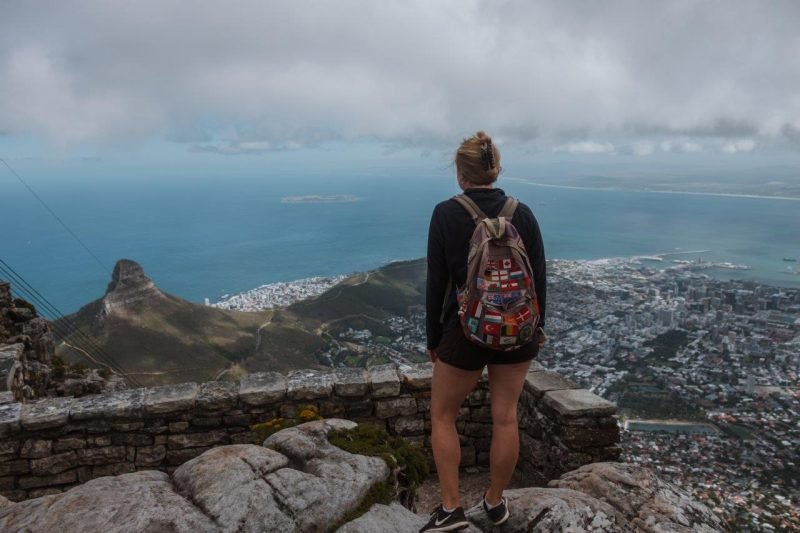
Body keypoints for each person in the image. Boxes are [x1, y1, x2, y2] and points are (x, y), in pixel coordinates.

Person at [420, 131, 547, 532]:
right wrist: (533, 329)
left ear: (461, 173)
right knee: (506, 417)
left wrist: (433, 340)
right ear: (496, 170)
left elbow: (437, 283)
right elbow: (538, 279)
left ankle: (451, 508)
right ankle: (494, 502)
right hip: (518, 328)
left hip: (465, 330)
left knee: (442, 415)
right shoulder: (522, 213)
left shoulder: (446, 213)